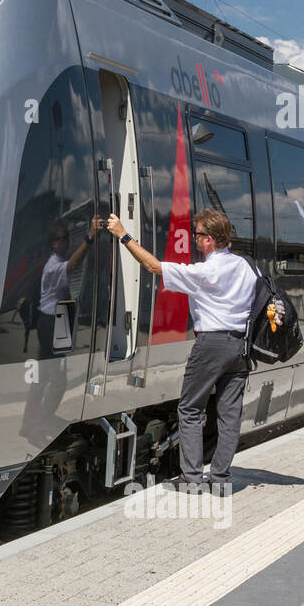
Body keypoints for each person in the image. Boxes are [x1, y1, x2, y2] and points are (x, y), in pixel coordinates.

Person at [104, 209, 257, 490]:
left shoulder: (207, 271)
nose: (194, 239)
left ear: (209, 240)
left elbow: (153, 267)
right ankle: (221, 478)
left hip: (211, 345)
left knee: (190, 408)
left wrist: (122, 235)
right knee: (230, 414)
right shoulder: (246, 265)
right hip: (240, 346)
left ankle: (192, 478)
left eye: (197, 234)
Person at [20, 215, 103, 446]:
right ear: (53, 243)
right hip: (51, 323)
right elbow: (74, 265)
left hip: (57, 319)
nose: (65, 242)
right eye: (61, 239)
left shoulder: (55, 262)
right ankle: (40, 425)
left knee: (41, 378)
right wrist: (90, 236)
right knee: (57, 382)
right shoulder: (54, 266)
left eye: (67, 238)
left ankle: (28, 424)